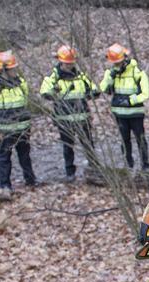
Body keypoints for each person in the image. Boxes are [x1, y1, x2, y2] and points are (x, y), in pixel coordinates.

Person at [40, 45, 98, 181]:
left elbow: (93, 89)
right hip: (64, 119)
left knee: (88, 145)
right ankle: (70, 172)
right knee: (68, 147)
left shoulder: (80, 76)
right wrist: (53, 92)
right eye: (67, 64)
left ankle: (94, 168)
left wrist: (92, 93)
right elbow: (44, 92)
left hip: (82, 118)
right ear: (60, 62)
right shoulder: (53, 77)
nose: (69, 66)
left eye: (71, 63)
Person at [0, 50, 35, 190]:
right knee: (4, 156)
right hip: (4, 129)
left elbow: (25, 99)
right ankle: (5, 184)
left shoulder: (20, 82)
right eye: (12, 69)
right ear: (3, 70)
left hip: (22, 127)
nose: (15, 71)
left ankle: (30, 180)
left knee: (25, 155)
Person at [98, 43, 149, 169]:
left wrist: (131, 100)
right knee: (124, 140)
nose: (116, 65)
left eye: (118, 62)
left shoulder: (137, 73)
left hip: (136, 113)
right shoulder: (111, 73)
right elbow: (103, 88)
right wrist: (110, 77)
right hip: (120, 115)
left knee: (140, 139)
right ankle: (129, 165)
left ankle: (145, 165)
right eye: (114, 63)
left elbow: (145, 93)